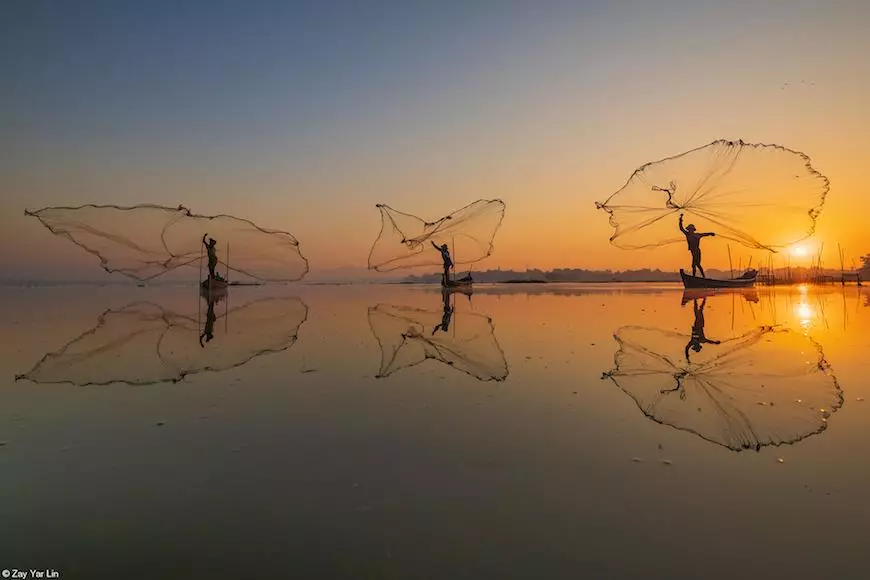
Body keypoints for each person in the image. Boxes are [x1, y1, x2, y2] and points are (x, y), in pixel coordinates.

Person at [684, 297, 721, 361]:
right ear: (698, 345)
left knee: (698, 311)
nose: (696, 345)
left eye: (695, 346)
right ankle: (701, 299)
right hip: (700, 324)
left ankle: (699, 299)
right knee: (699, 311)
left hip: (697, 324)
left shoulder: (693, 341)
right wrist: (715, 343)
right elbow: (709, 341)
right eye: (696, 346)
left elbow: (686, 348)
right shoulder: (701, 340)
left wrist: (687, 357)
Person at [679, 213, 715, 278]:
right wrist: (680, 219)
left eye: (691, 229)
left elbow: (704, 234)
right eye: (689, 229)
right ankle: (695, 277)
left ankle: (700, 277)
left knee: (696, 264)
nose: (690, 230)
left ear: (693, 230)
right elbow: (681, 228)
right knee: (694, 265)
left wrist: (710, 233)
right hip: (693, 252)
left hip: (697, 251)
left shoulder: (697, 235)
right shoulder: (687, 234)